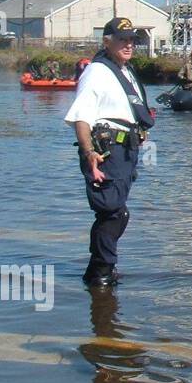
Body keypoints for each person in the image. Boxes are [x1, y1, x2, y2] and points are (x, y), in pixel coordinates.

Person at [64, 18, 155, 287]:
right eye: (122, 39)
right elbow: (82, 117)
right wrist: (89, 152)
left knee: (117, 212)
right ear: (107, 42)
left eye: (131, 40)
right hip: (106, 151)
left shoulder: (125, 71)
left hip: (126, 149)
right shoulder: (97, 72)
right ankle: (100, 274)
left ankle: (101, 270)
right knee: (112, 211)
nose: (128, 45)